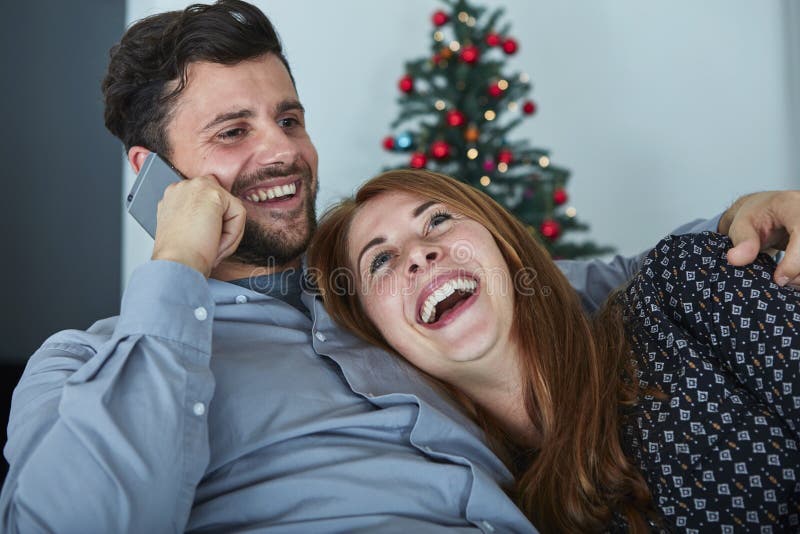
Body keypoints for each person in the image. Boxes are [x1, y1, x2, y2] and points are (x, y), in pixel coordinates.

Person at [1, 0, 798, 531]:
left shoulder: (378, 294)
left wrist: (745, 217)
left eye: (289, 117)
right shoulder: (82, 366)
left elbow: (565, 290)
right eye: (233, 131)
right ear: (152, 172)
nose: (282, 151)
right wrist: (175, 263)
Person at [307, 169, 800, 532]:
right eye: (382, 260)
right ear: (379, 335)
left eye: (437, 221)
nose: (418, 253)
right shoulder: (501, 512)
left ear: (505, 246)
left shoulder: (683, 286)